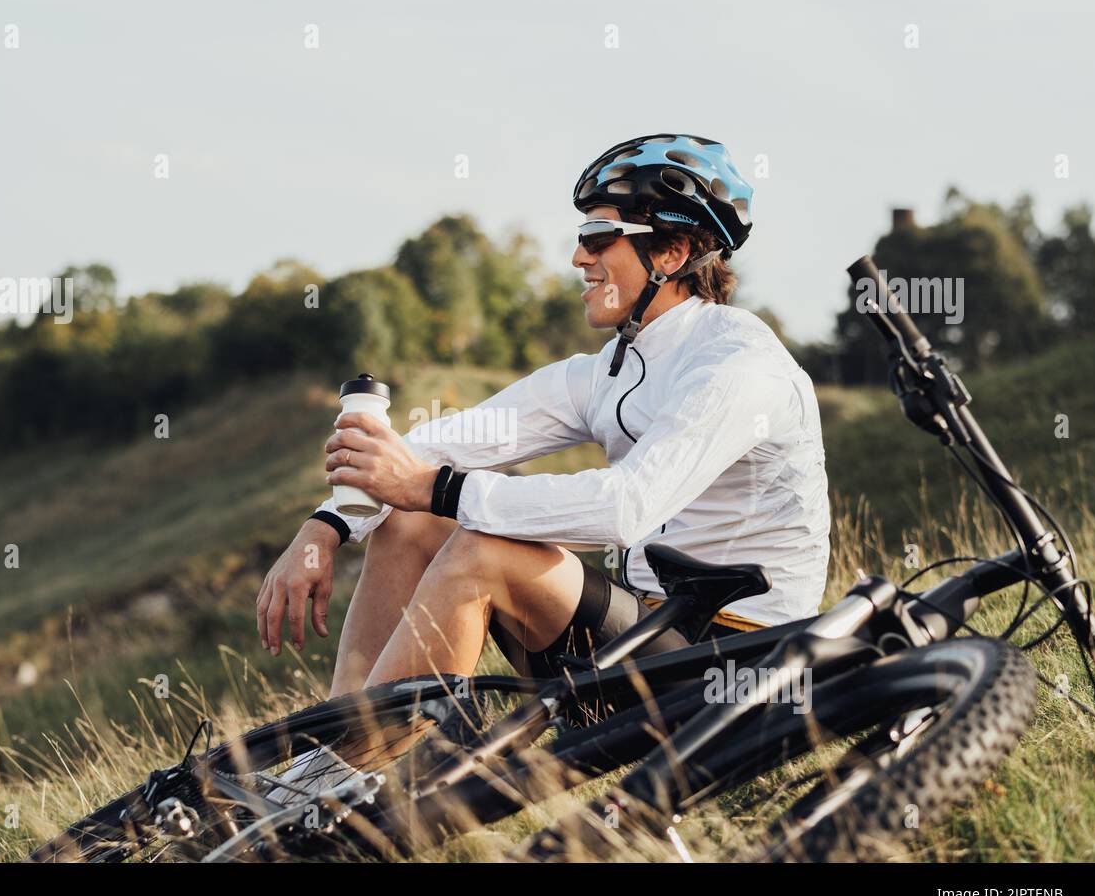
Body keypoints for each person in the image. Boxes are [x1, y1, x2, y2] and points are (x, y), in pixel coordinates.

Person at [256, 133, 830, 698]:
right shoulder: (612, 368)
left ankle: (363, 768)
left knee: (479, 548)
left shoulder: (738, 364)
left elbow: (625, 508)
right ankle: (327, 768)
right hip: (648, 631)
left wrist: (434, 488)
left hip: (739, 665)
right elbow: (440, 446)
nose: (579, 256)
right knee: (410, 521)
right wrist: (327, 526)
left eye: (600, 236)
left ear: (672, 253)